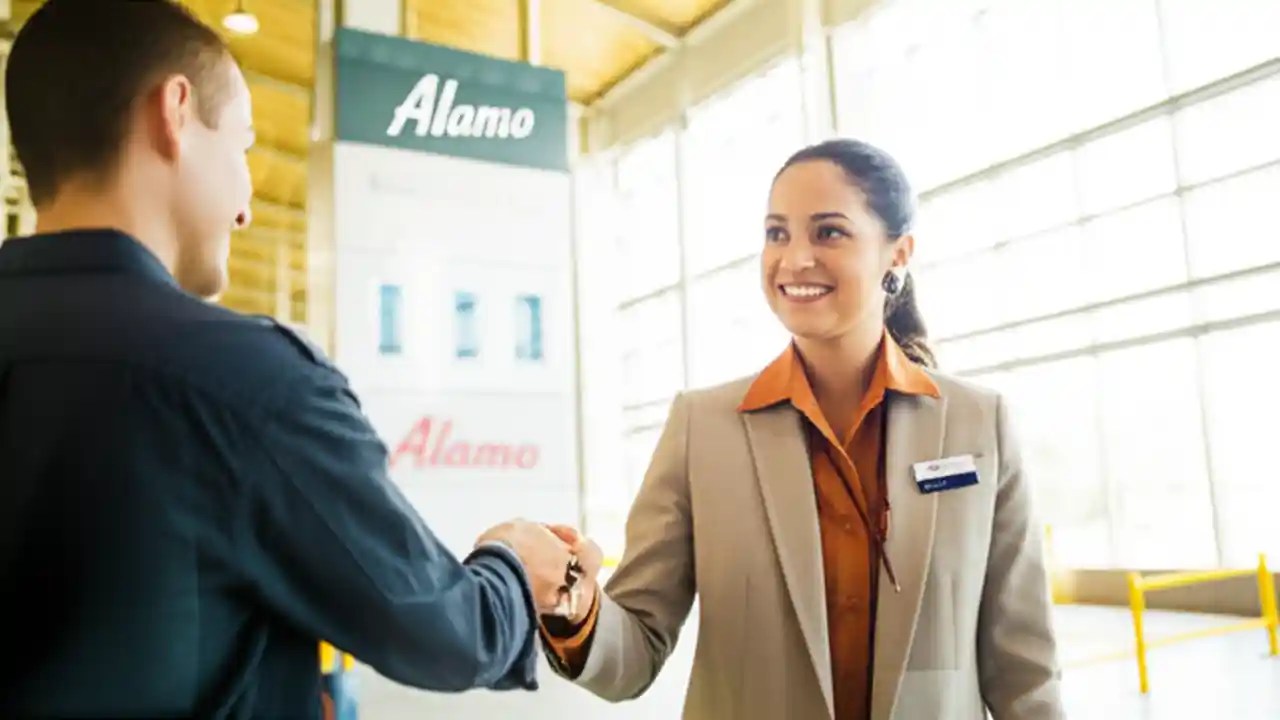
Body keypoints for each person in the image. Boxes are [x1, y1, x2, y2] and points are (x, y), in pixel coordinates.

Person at [0, 2, 573, 717]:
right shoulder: (244, 384)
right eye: (241, 145)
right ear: (174, 113)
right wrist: (517, 567)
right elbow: (444, 635)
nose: (245, 208)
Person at [540, 139, 1066, 719]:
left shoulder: (977, 425)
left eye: (828, 232)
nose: (793, 260)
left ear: (898, 254)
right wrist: (576, 603)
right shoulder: (703, 430)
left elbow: (1023, 670)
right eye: (776, 233)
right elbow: (635, 652)